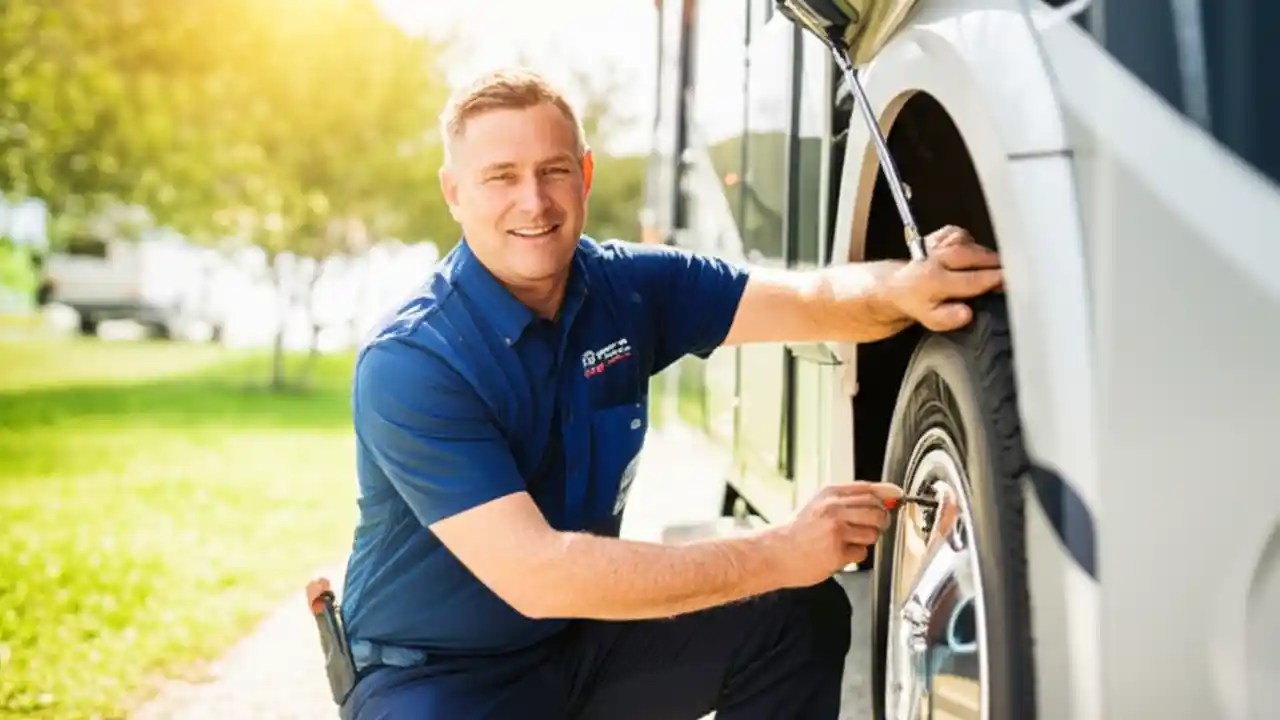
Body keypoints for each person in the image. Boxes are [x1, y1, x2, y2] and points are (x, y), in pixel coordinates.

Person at [337, 68, 1003, 720]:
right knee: (780, 574)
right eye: (501, 177)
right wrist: (777, 551)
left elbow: (812, 299)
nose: (534, 202)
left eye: (554, 170)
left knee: (795, 617)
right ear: (455, 192)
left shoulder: (627, 288)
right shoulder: (415, 361)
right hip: (437, 678)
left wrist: (909, 285)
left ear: (586, 174)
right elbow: (539, 575)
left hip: (578, 643)